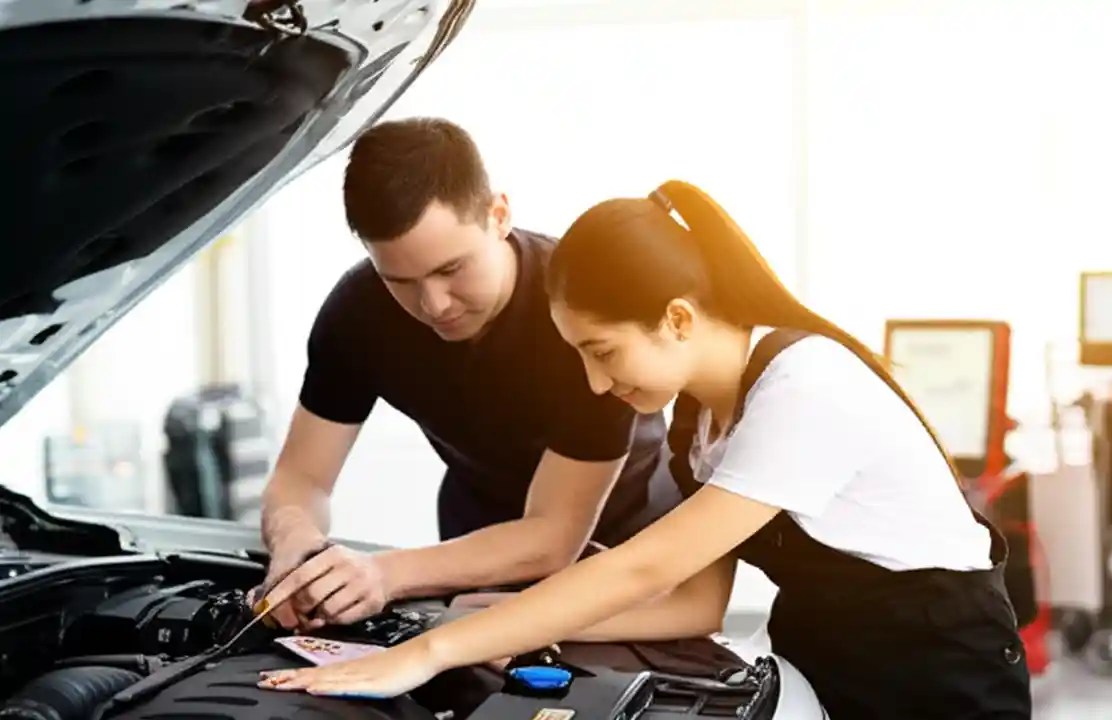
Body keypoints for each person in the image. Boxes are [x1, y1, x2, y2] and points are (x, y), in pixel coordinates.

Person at [258, 180, 1034, 718]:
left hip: (938, 682)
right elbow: (699, 600)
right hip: (827, 666)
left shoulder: (805, 388)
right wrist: (518, 617)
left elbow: (646, 566)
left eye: (604, 352)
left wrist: (427, 653)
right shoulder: (701, 421)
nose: (597, 385)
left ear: (677, 318)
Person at [254, 118, 672, 632]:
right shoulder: (356, 314)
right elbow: (301, 478)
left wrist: (385, 574)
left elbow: (553, 535)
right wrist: (296, 544)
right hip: (473, 531)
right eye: (400, 281)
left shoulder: (578, 310)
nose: (433, 305)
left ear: (498, 214)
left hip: (625, 536)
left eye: (451, 269)